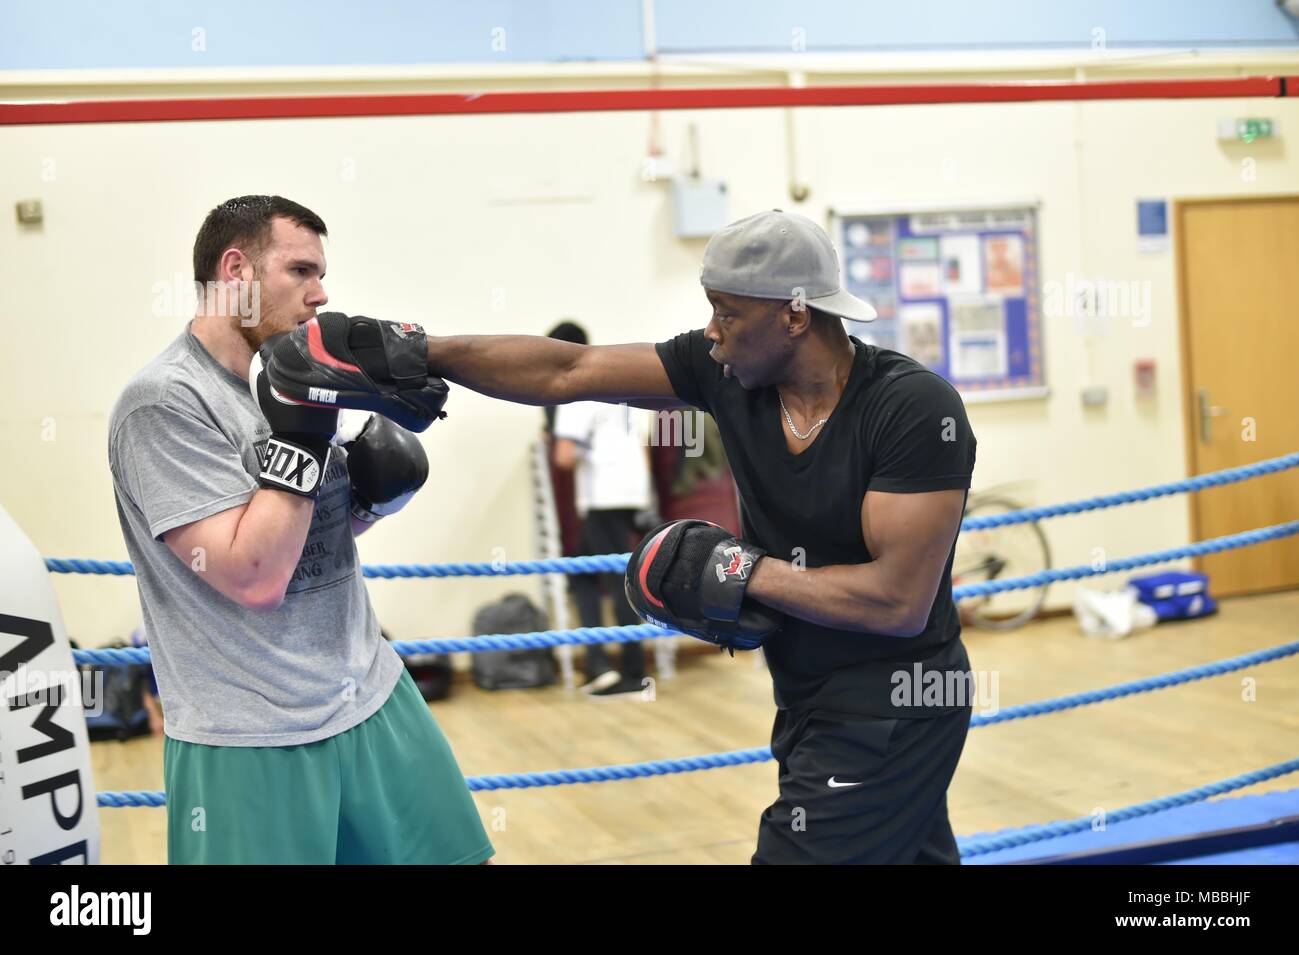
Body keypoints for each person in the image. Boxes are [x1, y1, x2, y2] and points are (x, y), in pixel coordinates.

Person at [261, 209, 978, 865]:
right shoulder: (730, 373)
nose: (712, 331)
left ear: (795, 316)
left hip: (899, 701)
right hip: (807, 693)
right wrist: (418, 351)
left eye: (728, 313)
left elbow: (898, 601)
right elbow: (570, 368)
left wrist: (737, 572)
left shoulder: (910, 410)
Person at [107, 195, 492, 865]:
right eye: (301, 271)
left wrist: (373, 498)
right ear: (236, 269)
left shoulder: (288, 382)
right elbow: (252, 575)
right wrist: (305, 430)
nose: (320, 294)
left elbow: (306, 542)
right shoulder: (164, 402)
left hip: (370, 693)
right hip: (253, 736)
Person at [547, 322, 655, 696]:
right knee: (587, 574)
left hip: (603, 497)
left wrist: (578, 447)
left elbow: (563, 457)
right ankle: (601, 667)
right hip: (633, 493)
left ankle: (631, 675)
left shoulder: (572, 388)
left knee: (614, 580)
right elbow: (642, 448)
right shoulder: (618, 383)